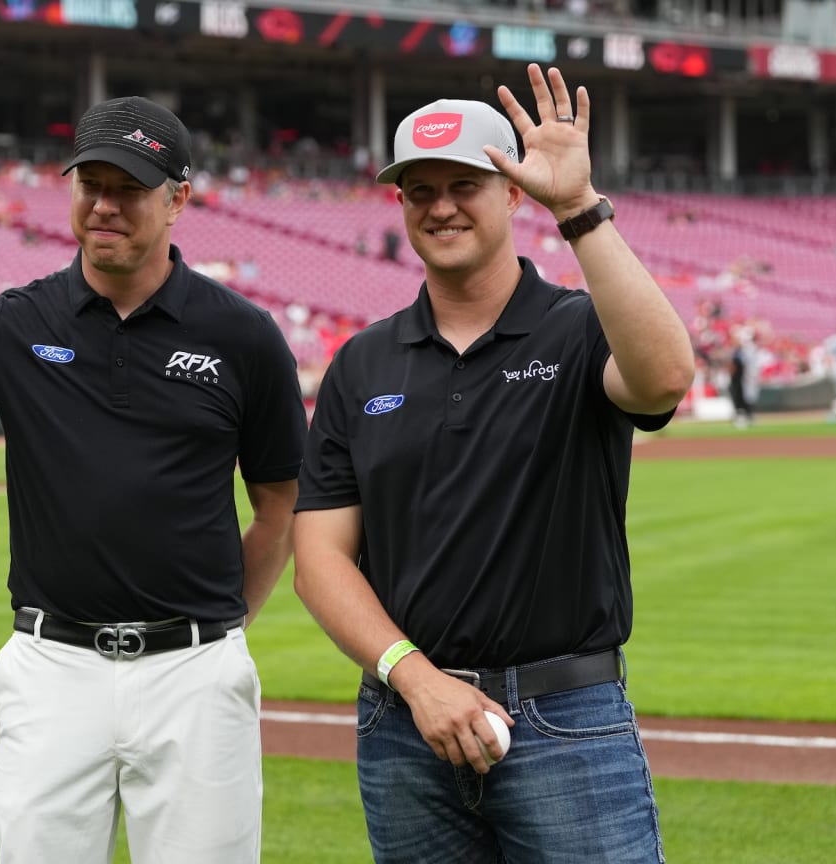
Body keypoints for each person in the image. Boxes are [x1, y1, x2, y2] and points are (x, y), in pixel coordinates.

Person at [0, 95, 306, 864]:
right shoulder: (15, 322)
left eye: (130, 188)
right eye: (91, 185)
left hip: (195, 673)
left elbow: (280, 506)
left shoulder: (242, 335)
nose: (105, 206)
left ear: (178, 199)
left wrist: (219, 634)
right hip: (52, 668)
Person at [291, 65, 694, 864]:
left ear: (512, 193)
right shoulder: (363, 363)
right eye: (419, 189)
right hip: (406, 725)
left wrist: (579, 208)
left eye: (466, 184)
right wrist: (415, 678)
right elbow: (318, 558)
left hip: (567, 719)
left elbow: (664, 378)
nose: (441, 206)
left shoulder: (578, 329)